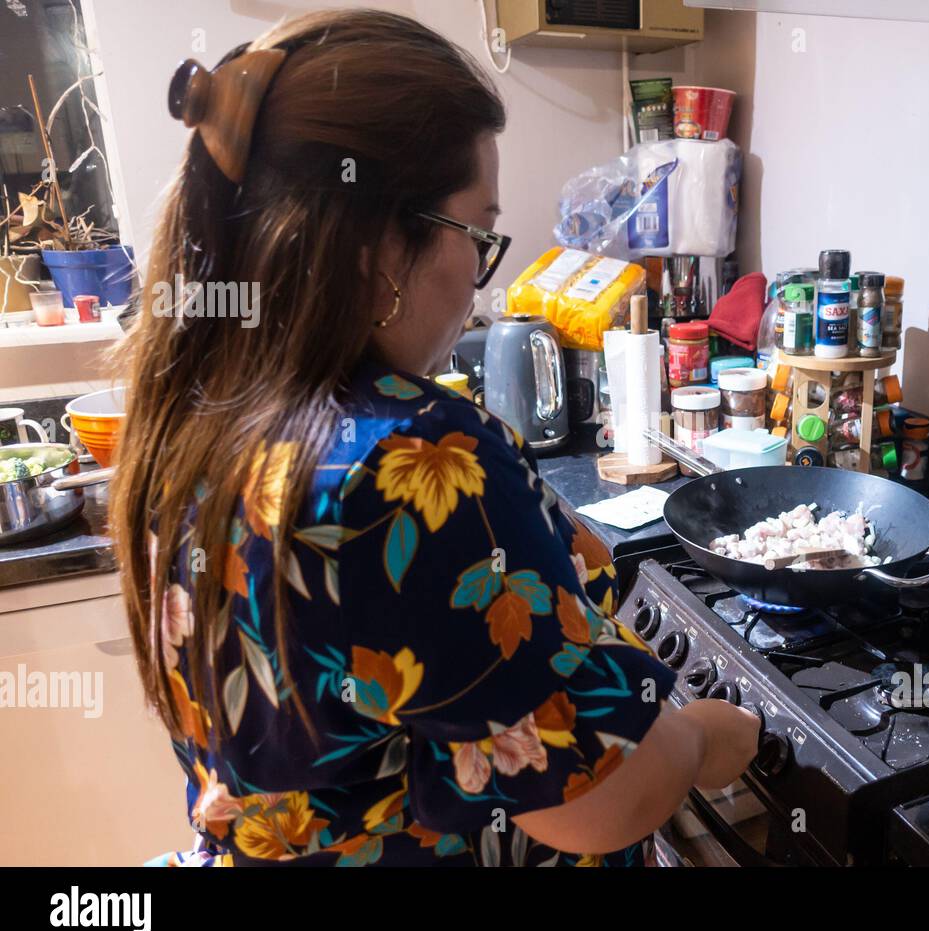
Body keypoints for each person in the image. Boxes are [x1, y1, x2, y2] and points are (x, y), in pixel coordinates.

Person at [110, 9, 757, 867]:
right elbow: (588, 804)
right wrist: (705, 738)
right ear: (382, 242)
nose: (478, 284)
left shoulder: (191, 419)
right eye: (480, 236)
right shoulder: (412, 457)